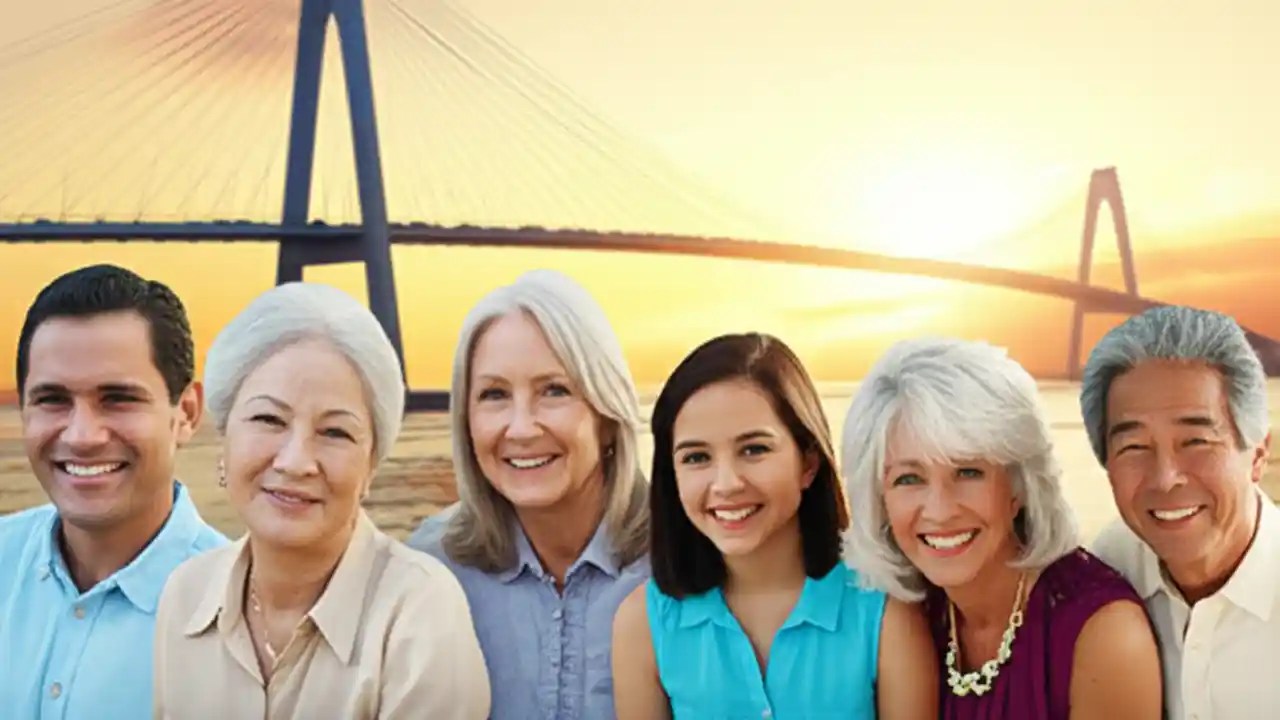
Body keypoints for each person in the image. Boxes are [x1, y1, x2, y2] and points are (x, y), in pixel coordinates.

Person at [152, 282, 489, 719]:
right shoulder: (185, 595)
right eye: (269, 419)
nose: (296, 462)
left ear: (371, 465)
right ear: (225, 437)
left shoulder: (418, 613)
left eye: (335, 432)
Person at [612, 332, 937, 719]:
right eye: (697, 457)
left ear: (808, 463)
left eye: (754, 450)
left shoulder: (886, 611)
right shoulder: (642, 624)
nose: (727, 483)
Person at [841, 336, 1163, 719]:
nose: (940, 511)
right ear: (880, 500)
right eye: (909, 479)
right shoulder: (907, 616)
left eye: (968, 472)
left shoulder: (1103, 634)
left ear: (1019, 487)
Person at [407, 269, 651, 719]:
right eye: (494, 394)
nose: (520, 428)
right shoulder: (428, 572)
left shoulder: (686, 564)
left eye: (554, 391)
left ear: (607, 413)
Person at [0, 264, 227, 717]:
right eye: (53, 400)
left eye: (118, 398)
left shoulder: (245, 617)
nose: (82, 435)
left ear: (185, 412)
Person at [1085, 305, 1279, 719]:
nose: (1166, 479)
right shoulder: (1106, 572)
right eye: (1134, 447)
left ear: (1258, 456)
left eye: (1196, 441)